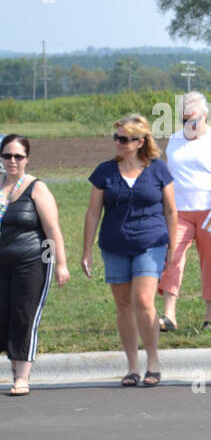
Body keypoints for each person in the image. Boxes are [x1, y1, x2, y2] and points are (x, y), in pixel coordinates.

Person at [82, 115, 178, 388]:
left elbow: (171, 210)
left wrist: (172, 245)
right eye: (116, 138)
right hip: (115, 245)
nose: (118, 143)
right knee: (123, 305)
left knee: (144, 300)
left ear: (139, 142)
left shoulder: (159, 169)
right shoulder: (105, 171)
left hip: (151, 242)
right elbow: (92, 213)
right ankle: (132, 366)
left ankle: (154, 361)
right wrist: (86, 250)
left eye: (124, 139)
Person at [158, 92, 211, 332]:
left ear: (205, 116)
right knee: (172, 257)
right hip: (179, 211)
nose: (189, 125)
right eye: (184, 120)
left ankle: (209, 318)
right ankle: (169, 315)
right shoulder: (173, 139)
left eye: (193, 120)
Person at [0, 135, 70, 395]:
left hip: (33, 262)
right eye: (7, 155)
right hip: (2, 263)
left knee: (23, 316)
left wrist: (60, 263)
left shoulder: (36, 188)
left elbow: (52, 229)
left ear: (27, 158)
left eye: (18, 156)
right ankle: (13, 368)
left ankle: (22, 377)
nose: (12, 161)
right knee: (3, 315)